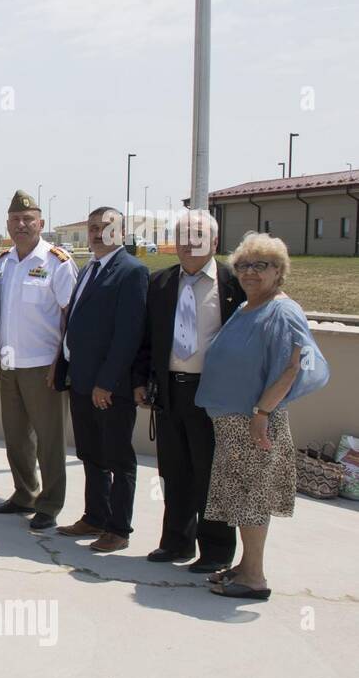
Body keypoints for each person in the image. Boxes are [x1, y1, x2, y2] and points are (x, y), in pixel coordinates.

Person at [195, 233, 330, 600]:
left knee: (252, 497)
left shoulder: (282, 310)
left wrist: (263, 412)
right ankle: (244, 564)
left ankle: (254, 577)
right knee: (241, 496)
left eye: (261, 266)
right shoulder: (248, 306)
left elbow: (294, 366)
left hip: (253, 422)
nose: (250, 273)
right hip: (234, 421)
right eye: (243, 266)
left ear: (279, 271)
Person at [131, 209, 244, 572]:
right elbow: (145, 339)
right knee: (174, 471)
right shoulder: (160, 283)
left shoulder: (233, 283)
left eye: (198, 237)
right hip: (169, 392)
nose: (188, 244)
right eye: (182, 237)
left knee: (211, 473)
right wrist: (139, 381)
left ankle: (215, 550)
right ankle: (176, 542)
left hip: (212, 396)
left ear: (214, 242)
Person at [53, 207, 149, 552]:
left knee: (118, 459)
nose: (97, 233)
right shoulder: (90, 269)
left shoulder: (131, 272)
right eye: (93, 227)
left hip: (109, 388)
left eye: (106, 227)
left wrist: (106, 383)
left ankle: (118, 528)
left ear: (121, 232)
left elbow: (128, 334)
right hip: (81, 381)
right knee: (91, 454)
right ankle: (94, 516)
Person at [0, 189, 78, 531]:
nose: (22, 224)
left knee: (49, 438)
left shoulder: (56, 262)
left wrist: (61, 362)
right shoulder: (3, 263)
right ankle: (24, 493)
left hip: (44, 364)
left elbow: (69, 315)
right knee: (15, 437)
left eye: (28, 219)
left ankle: (50, 503)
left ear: (41, 223)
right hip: (9, 363)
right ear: (8, 225)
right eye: (15, 219)